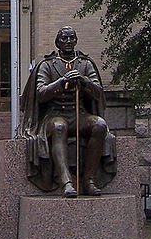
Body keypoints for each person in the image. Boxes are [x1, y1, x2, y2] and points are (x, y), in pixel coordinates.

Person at [21, 26, 117, 196]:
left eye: (71, 38)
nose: (68, 42)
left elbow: (98, 92)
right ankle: (66, 182)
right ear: (57, 42)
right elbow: (41, 94)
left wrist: (84, 81)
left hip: (79, 115)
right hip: (54, 115)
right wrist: (61, 82)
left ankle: (89, 180)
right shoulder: (47, 65)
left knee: (100, 125)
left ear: (76, 41)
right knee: (59, 127)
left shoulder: (85, 64)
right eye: (64, 39)